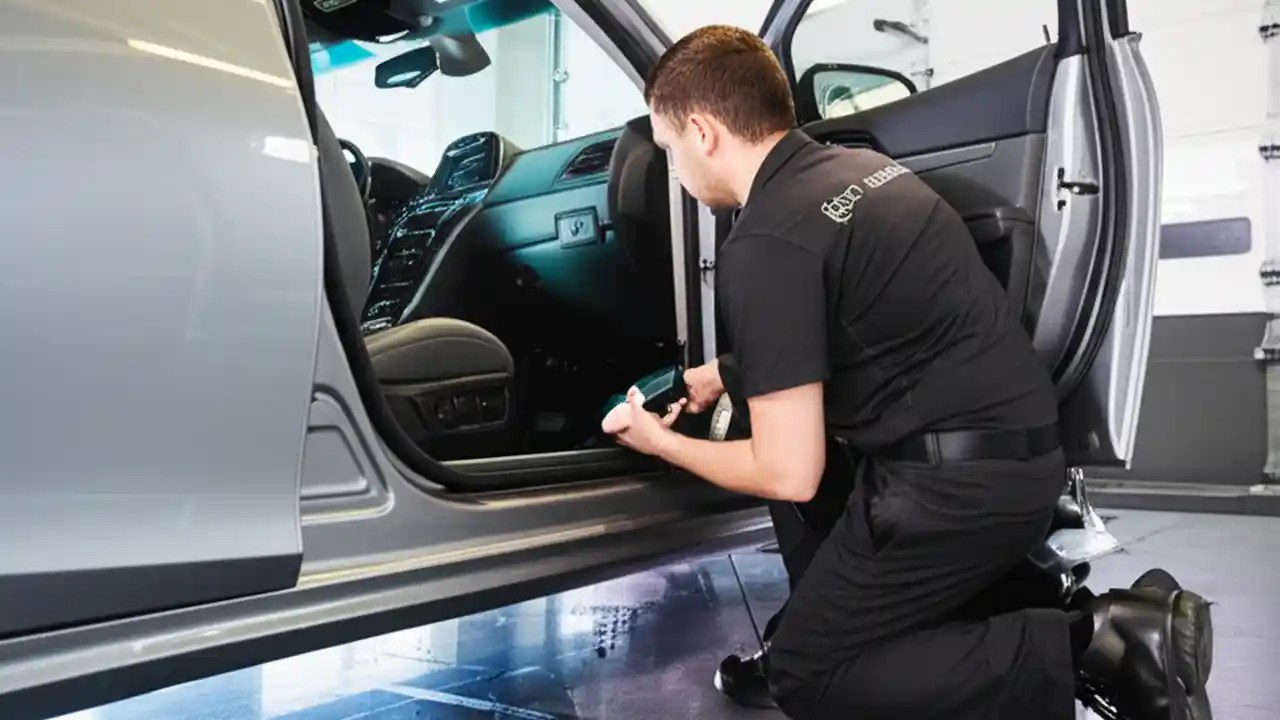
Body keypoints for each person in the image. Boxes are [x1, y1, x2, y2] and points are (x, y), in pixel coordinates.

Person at [606, 25, 1214, 720]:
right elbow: (867, 324)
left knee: (811, 673)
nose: (675, 170)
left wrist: (663, 445)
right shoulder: (862, 172)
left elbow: (789, 473)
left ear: (703, 130)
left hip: (946, 496)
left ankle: (1097, 643)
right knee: (781, 425)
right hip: (1028, 471)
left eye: (669, 149)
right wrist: (726, 373)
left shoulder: (766, 240)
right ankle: (1021, 610)